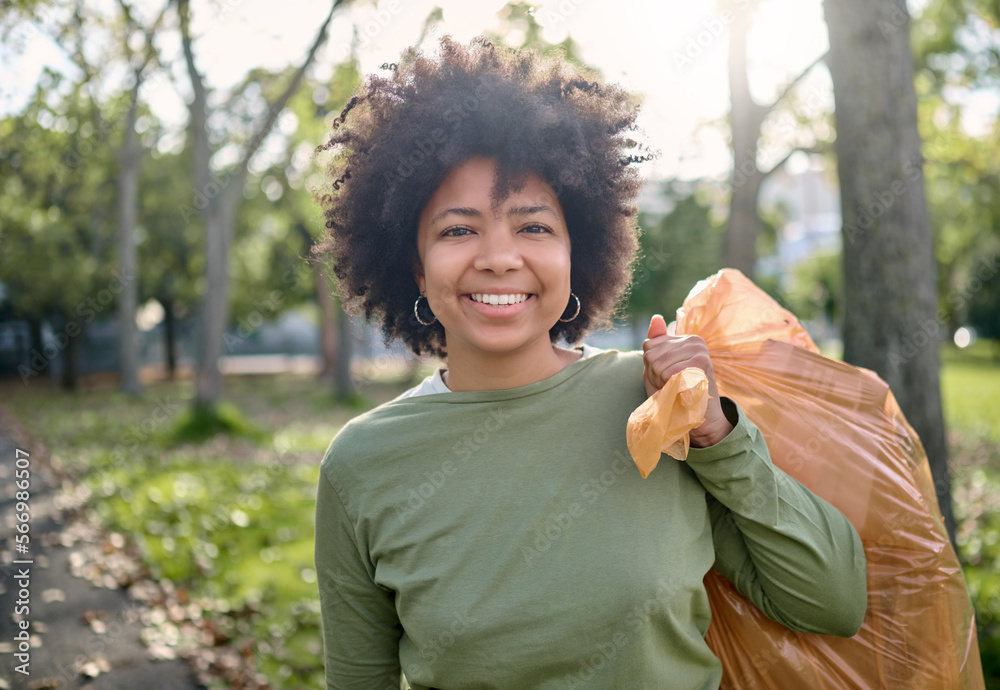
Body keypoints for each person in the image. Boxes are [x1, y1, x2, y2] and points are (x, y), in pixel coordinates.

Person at [312, 36, 867, 689]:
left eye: (533, 226)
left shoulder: (659, 405)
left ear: (579, 249)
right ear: (414, 263)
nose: (498, 257)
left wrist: (718, 434)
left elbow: (833, 602)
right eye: (458, 229)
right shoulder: (362, 466)